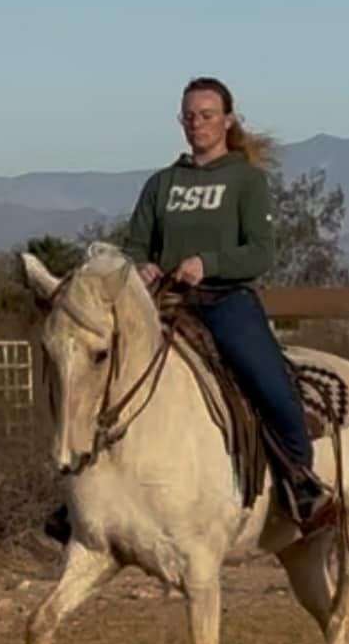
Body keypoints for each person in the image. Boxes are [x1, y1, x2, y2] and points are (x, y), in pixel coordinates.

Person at [122, 76, 336, 535]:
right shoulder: (162, 183)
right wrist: (140, 266)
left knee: (267, 381)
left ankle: (301, 480)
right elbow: (136, 243)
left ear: (227, 120)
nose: (197, 124)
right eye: (189, 116)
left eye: (207, 115)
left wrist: (209, 262)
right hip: (163, 304)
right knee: (98, 368)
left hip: (224, 302)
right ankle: (84, 490)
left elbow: (262, 252)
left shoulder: (246, 180)